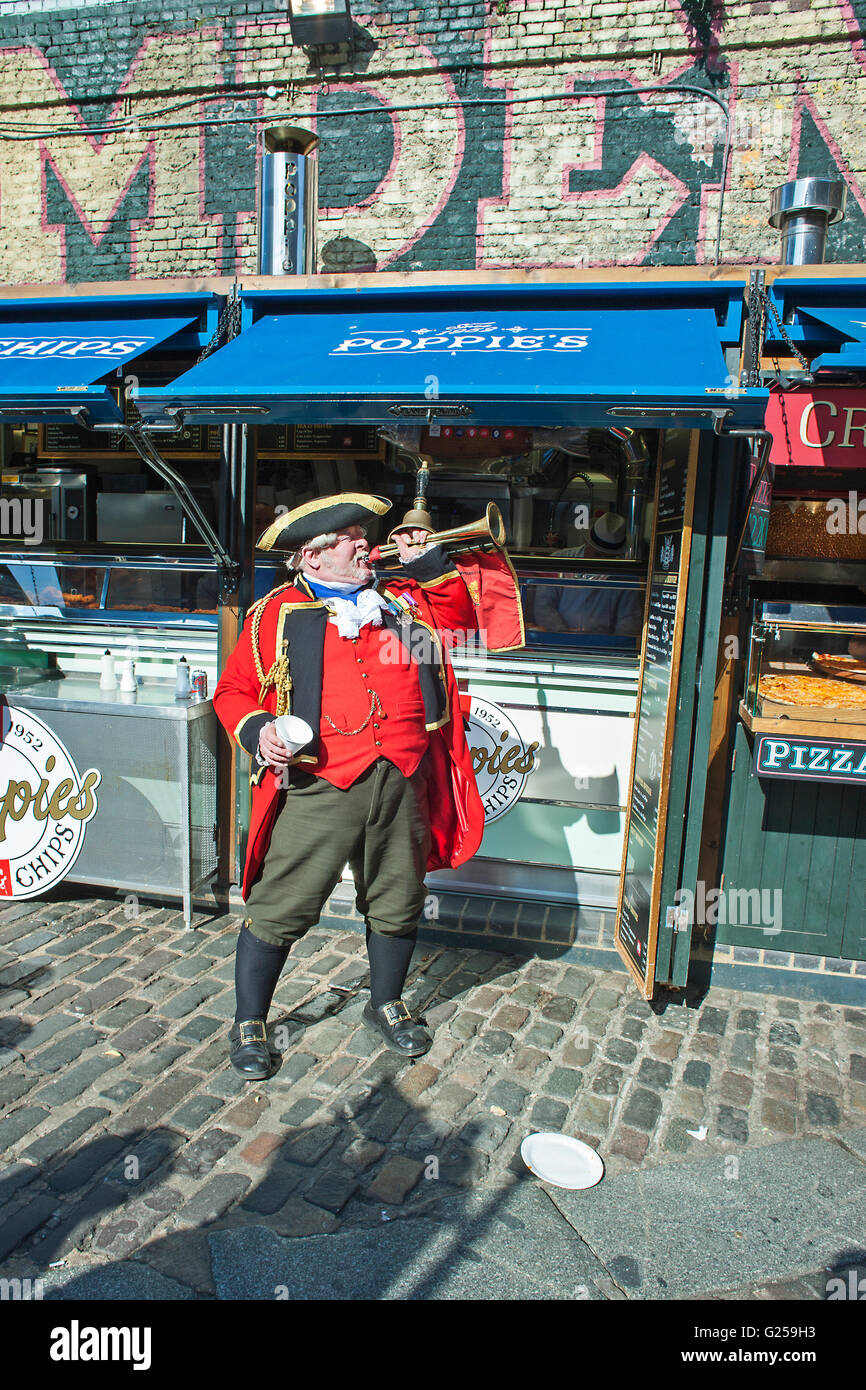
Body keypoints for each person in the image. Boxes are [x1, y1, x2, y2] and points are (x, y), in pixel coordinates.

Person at [213, 492, 494, 1079]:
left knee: (398, 897)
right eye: (351, 540)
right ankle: (250, 1022)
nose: (367, 545)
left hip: (403, 775)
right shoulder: (276, 613)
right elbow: (233, 691)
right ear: (312, 557)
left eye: (366, 537)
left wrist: (430, 567)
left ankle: (386, 1003)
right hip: (321, 781)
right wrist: (259, 729)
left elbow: (466, 635)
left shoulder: (400, 608)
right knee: (281, 906)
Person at [533, 511, 643, 637]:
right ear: (587, 543)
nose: (601, 561)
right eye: (597, 554)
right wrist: (562, 632)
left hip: (602, 647)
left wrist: (614, 646)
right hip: (557, 641)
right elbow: (543, 605)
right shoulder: (559, 560)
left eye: (609, 558)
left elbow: (629, 618)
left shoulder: (625, 574)